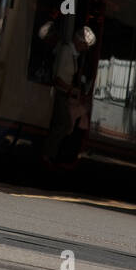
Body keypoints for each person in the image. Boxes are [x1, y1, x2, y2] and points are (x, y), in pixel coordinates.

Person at [41, 25, 96, 167]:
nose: (86, 49)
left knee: (64, 123)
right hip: (60, 92)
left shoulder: (72, 54)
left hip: (63, 92)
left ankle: (49, 153)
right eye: (86, 45)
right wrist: (70, 89)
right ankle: (47, 154)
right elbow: (58, 77)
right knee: (63, 123)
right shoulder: (66, 51)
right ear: (79, 42)